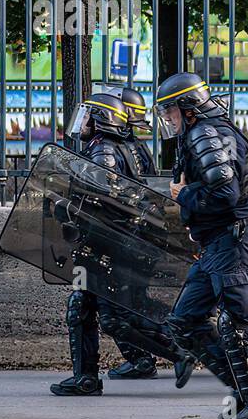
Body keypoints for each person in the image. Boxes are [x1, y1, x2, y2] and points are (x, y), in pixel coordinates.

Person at [155, 73, 248, 419]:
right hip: (220, 241)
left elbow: (225, 194)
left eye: (171, 111)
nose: (169, 119)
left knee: (235, 324)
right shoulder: (205, 131)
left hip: (235, 237)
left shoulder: (206, 134)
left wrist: (184, 197)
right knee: (185, 320)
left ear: (188, 108)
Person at [50, 92, 184, 396]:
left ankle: (181, 346)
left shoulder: (104, 151)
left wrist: (66, 208)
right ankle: (86, 377)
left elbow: (104, 200)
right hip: (120, 243)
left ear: (100, 119)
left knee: (112, 314)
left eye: (87, 116)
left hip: (106, 244)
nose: (81, 123)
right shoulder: (124, 147)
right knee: (88, 306)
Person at [99, 84, 168, 381]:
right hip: (143, 234)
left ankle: (153, 353)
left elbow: (112, 196)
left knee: (116, 305)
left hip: (125, 236)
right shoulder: (136, 145)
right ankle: (156, 351)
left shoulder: (111, 149)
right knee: (133, 302)